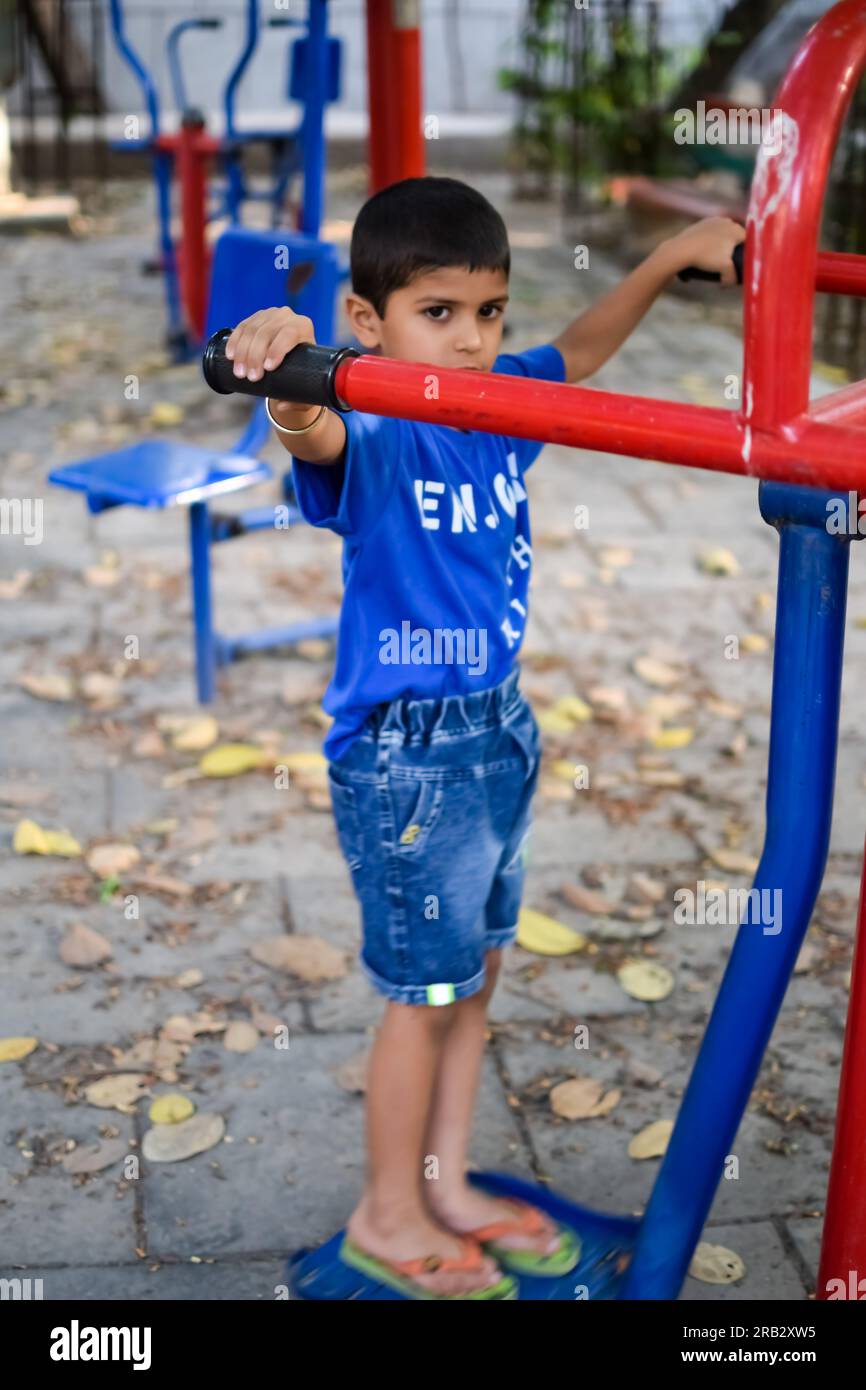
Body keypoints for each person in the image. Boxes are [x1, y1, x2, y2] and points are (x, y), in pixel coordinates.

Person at [224, 176, 744, 1299]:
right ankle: (382, 1214)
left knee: (473, 973)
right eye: (437, 312)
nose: (470, 340)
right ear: (369, 322)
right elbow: (308, 430)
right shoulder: (373, 419)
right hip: (410, 753)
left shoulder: (497, 401)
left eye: (488, 311)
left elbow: (578, 356)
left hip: (496, 730)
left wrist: (662, 261)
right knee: (421, 995)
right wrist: (285, 370)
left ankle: (442, 1182)